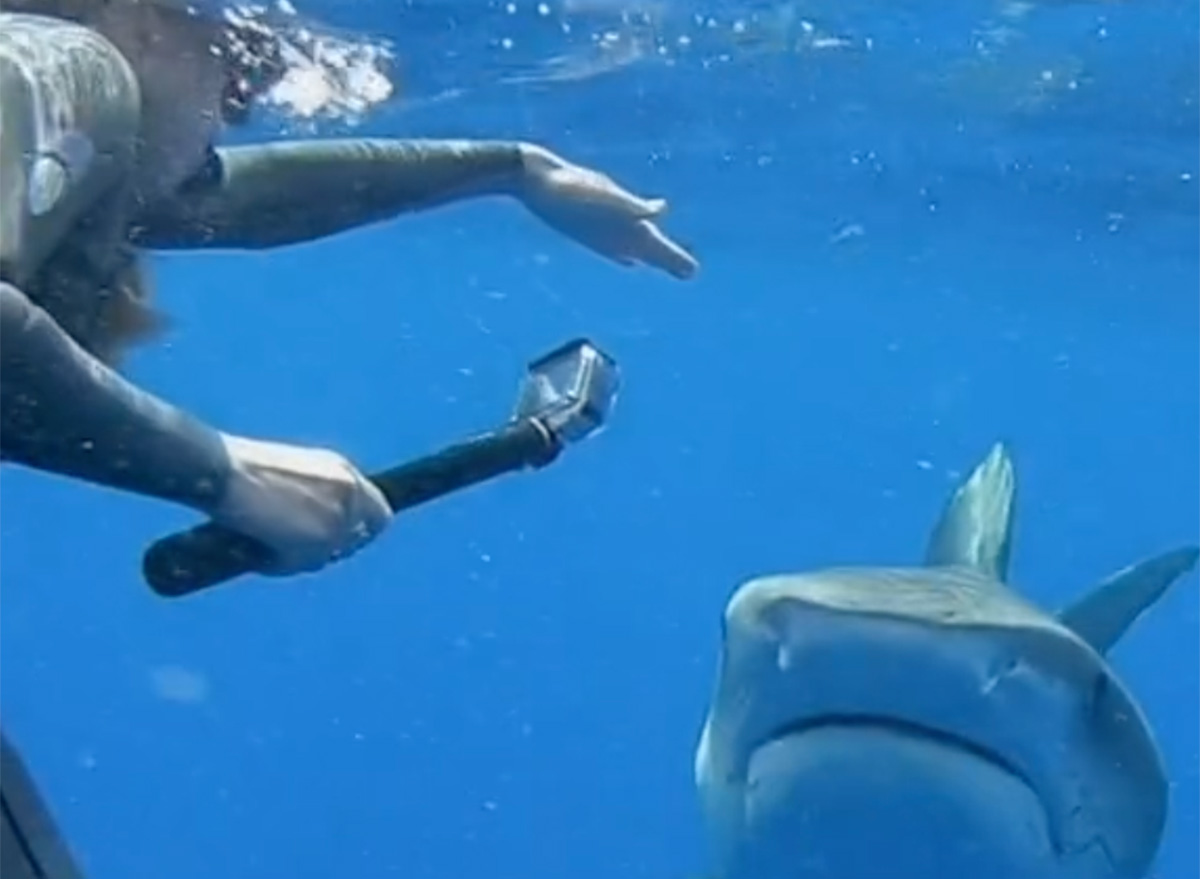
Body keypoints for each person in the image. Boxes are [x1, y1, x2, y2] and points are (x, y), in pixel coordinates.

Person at [0, 1, 699, 580]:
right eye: (237, 62)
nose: (242, 105)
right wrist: (224, 471)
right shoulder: (72, 63)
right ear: (142, 17)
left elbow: (232, 200)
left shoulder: (63, 125)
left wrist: (514, 169)